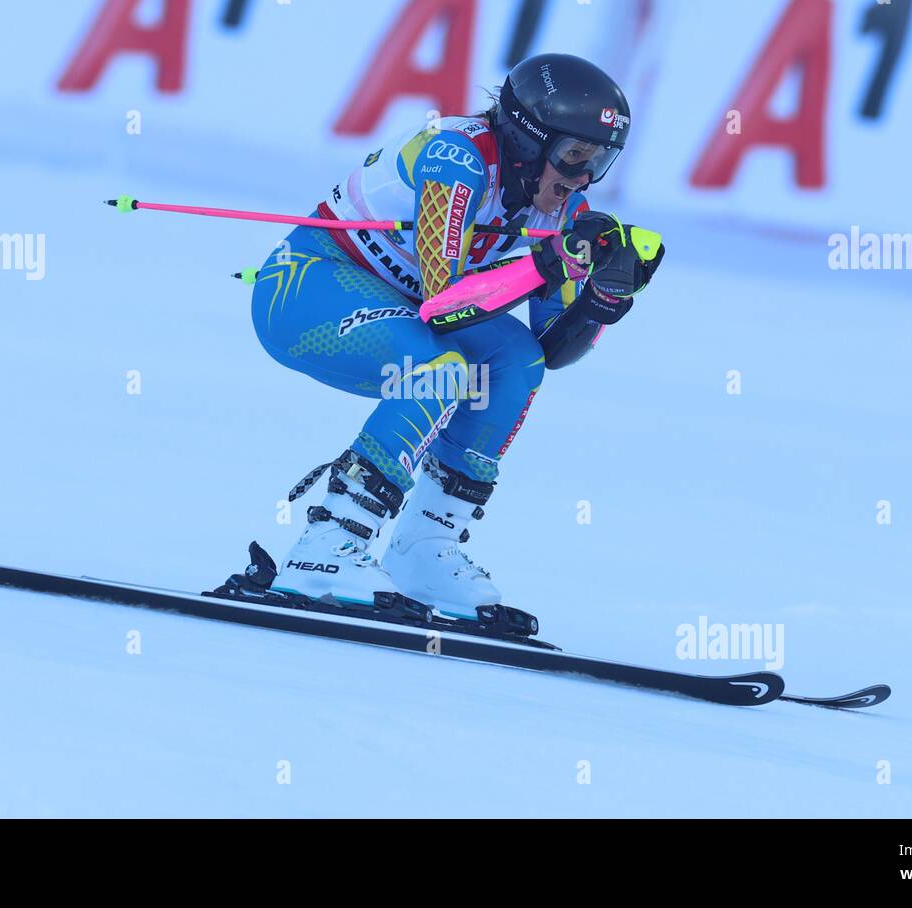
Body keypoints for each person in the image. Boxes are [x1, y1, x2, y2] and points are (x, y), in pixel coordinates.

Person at [249, 53, 663, 618]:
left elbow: (551, 350)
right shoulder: (456, 157)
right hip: (307, 288)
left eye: (600, 161)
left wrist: (598, 301)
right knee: (438, 368)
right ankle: (328, 544)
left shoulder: (564, 207)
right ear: (526, 139)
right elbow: (443, 303)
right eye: (572, 156)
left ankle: (424, 546)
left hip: (403, 307)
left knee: (515, 363)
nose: (582, 178)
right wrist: (548, 263)